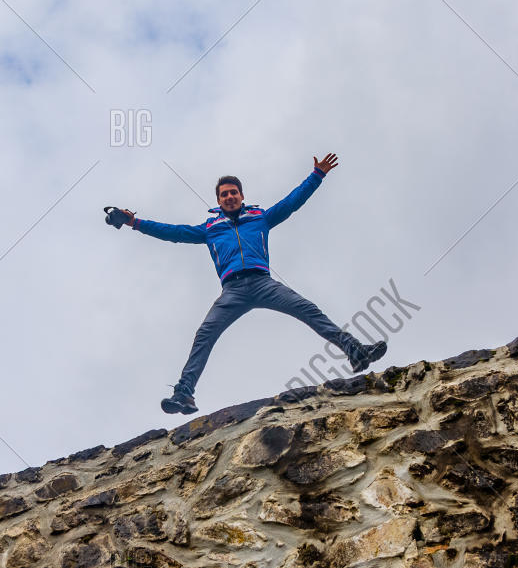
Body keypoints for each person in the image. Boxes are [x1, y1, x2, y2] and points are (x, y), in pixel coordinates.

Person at [115, 153, 387, 414]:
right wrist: (133, 221)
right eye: (224, 194)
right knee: (204, 335)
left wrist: (317, 175)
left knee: (308, 310)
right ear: (218, 201)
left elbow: (291, 202)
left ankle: (355, 351)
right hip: (232, 291)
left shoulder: (260, 218)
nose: (230, 197)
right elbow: (173, 232)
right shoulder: (210, 229)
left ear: (242, 196)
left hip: (263, 283)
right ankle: (184, 393)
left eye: (234, 192)